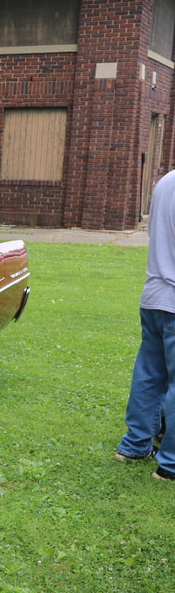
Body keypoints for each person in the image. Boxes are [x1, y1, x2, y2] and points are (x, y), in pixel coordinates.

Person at [118, 168, 175, 480]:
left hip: (154, 296)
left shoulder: (165, 182)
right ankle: (170, 464)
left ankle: (134, 444)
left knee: (149, 373)